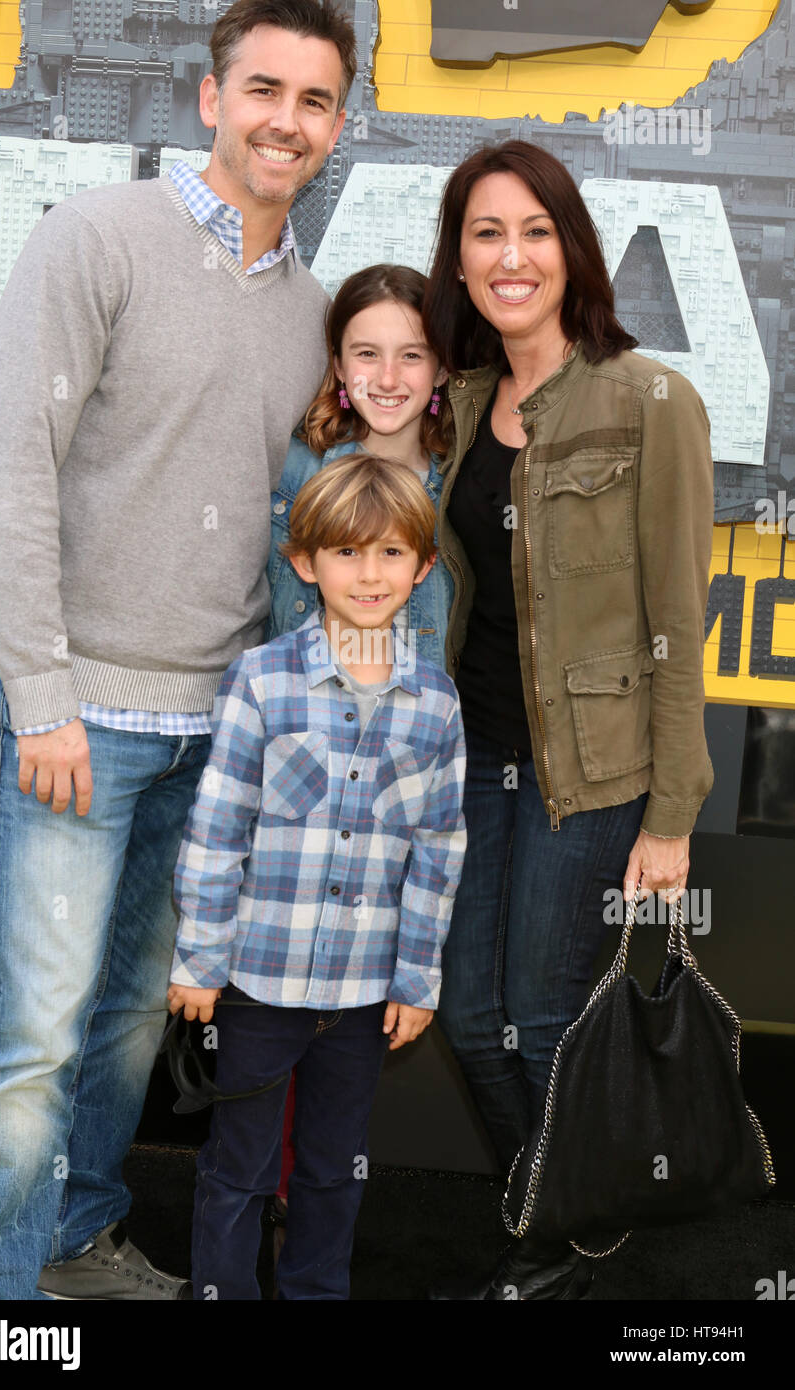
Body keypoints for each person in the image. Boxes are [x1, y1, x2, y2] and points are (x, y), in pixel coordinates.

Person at [0, 0, 357, 1301]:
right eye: (263, 89)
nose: (284, 120)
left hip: (214, 735)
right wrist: (41, 700)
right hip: (82, 725)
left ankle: (74, 1241)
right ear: (209, 96)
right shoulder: (97, 237)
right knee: (31, 1035)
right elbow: (6, 472)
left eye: (312, 100)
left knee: (129, 1025)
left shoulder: (312, 312)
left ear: (338, 123)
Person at [420, 140, 715, 1300]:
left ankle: (560, 1253)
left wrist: (673, 812)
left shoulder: (648, 399)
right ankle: (560, 1228)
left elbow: (676, 620)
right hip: (472, 756)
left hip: (592, 772)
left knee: (539, 1018)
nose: (509, 255)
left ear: (570, 249)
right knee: (465, 1011)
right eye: (485, 232)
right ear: (459, 254)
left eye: (533, 230)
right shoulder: (462, 400)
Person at [167, 454, 467, 1300]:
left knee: (335, 1170)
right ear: (304, 562)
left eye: (392, 553)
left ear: (424, 565)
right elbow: (216, 830)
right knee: (240, 1167)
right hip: (259, 986)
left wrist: (418, 978)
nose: (369, 574)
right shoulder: (259, 684)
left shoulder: (437, 705)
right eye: (346, 553)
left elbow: (439, 852)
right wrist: (198, 960)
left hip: (367, 994)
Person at [267, 263, 454, 667]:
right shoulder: (293, 472)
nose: (387, 379)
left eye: (411, 355)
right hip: (300, 723)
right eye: (367, 354)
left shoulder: (461, 487)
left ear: (440, 368)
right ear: (338, 366)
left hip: (417, 724)